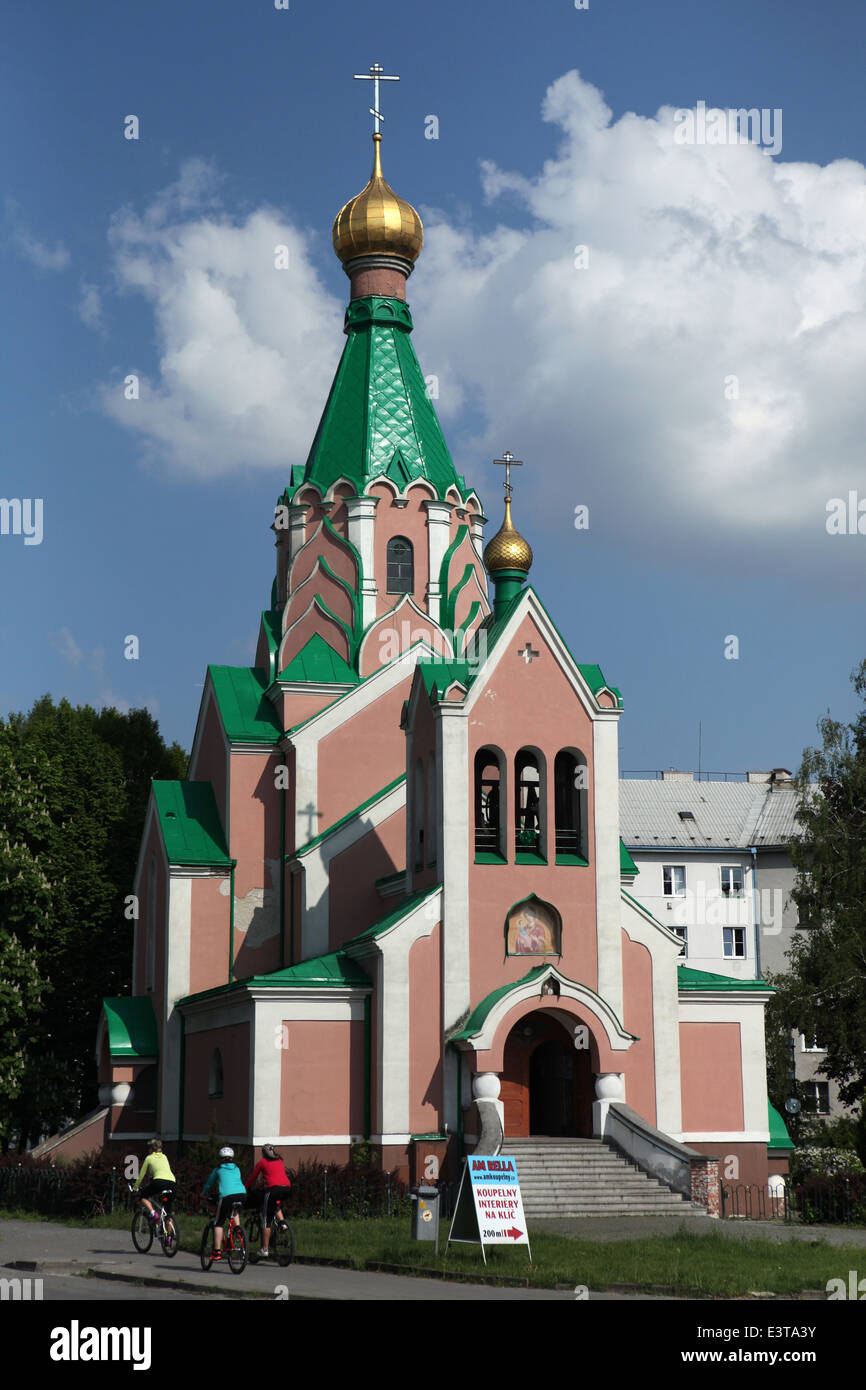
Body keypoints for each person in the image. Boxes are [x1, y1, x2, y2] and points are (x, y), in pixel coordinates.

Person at [245, 1143, 292, 1257]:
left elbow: (253, 1177)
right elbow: (274, 1175)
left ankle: (264, 1249)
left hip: (273, 1190)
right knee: (275, 1204)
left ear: (263, 1153)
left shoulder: (262, 1162)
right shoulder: (279, 1161)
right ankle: (282, 1223)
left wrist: (245, 1188)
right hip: (287, 1189)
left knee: (266, 1219)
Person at [201, 1146, 246, 1261]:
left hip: (226, 1196)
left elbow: (210, 1183)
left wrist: (203, 1193)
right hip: (241, 1194)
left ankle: (217, 1251)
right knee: (234, 1211)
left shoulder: (218, 1169)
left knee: (218, 1223)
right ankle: (238, 1232)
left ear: (220, 1158)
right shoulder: (237, 1168)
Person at [133, 1139, 176, 1220]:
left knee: (143, 1197)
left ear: (151, 1149)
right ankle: (169, 1232)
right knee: (168, 1211)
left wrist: (135, 1187)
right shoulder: (164, 1157)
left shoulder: (149, 1158)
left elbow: (141, 1175)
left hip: (159, 1182)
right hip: (172, 1183)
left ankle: (153, 1214)